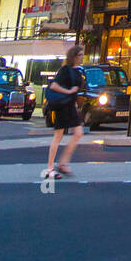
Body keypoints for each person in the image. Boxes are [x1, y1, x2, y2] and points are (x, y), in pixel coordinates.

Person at [43, 44, 86, 178]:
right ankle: (50, 168)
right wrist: (68, 91)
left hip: (71, 107)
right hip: (62, 106)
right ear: (73, 56)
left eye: (82, 55)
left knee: (78, 133)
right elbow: (54, 85)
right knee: (58, 136)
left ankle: (63, 162)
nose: (82, 57)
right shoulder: (65, 70)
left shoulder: (78, 71)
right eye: (80, 55)